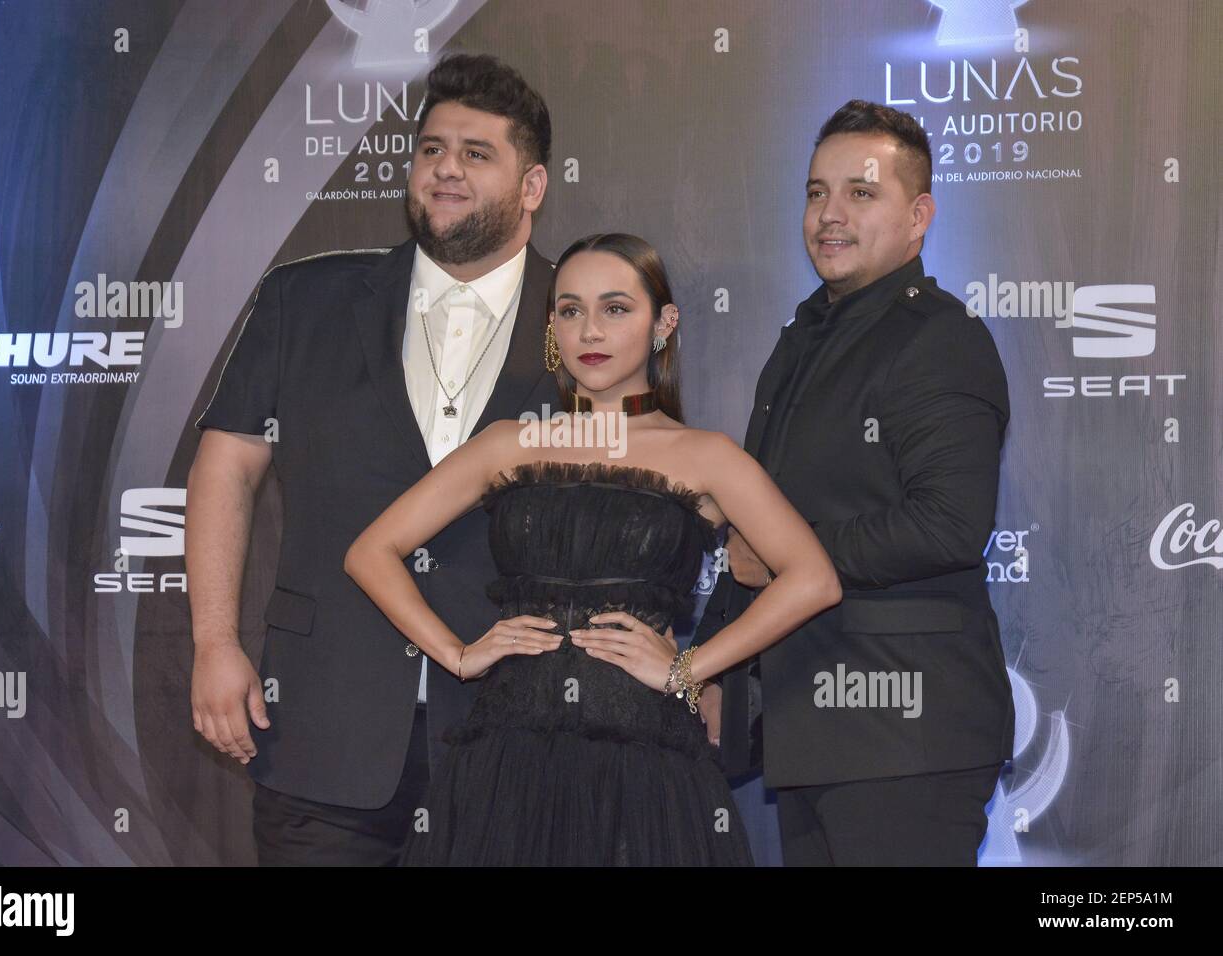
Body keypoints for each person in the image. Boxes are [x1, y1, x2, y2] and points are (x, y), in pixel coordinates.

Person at [344, 233, 842, 865]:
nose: (590, 331)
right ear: (553, 328)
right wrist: (459, 655)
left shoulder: (705, 455)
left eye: (615, 308)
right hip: (507, 760)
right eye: (571, 310)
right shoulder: (508, 444)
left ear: (664, 324)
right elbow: (371, 551)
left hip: (645, 763)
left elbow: (812, 578)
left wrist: (689, 669)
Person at [186, 53, 562, 864]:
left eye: (476, 153)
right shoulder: (304, 299)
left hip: (520, 745)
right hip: (321, 728)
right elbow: (227, 466)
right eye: (432, 150)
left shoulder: (585, 320)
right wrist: (214, 642)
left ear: (532, 186)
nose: (446, 169)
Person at [693, 100, 1015, 866]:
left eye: (861, 192)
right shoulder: (803, 337)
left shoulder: (940, 339)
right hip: (811, 730)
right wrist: (712, 665)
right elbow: (757, 527)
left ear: (918, 216)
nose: (830, 214)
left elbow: (948, 525)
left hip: (907, 736)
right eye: (817, 192)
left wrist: (785, 559)